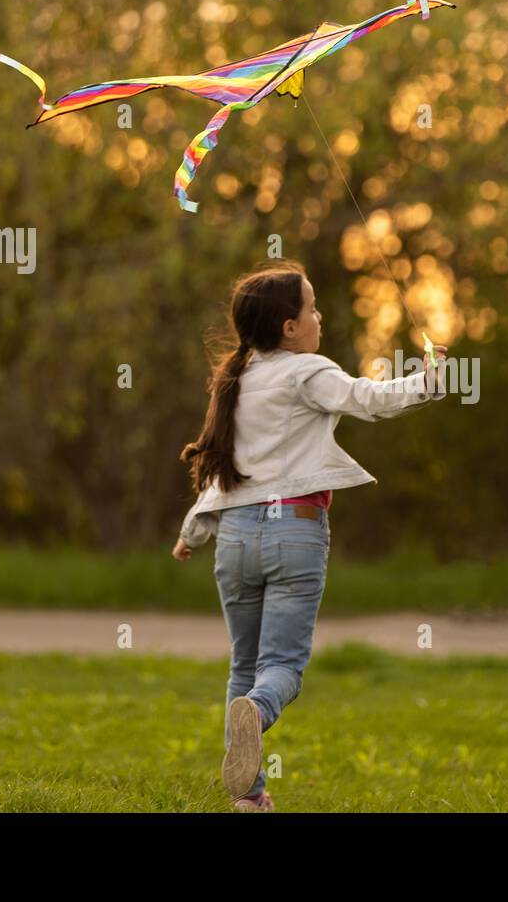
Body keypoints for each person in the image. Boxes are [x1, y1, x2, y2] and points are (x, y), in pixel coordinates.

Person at [172, 259, 447, 812]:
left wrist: (193, 530)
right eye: (311, 308)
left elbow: (228, 464)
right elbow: (370, 401)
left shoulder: (236, 379)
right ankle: (261, 712)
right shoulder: (307, 370)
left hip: (235, 538)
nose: (319, 317)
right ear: (288, 328)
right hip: (293, 533)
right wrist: (430, 380)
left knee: (243, 667)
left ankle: (249, 798)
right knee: (282, 670)